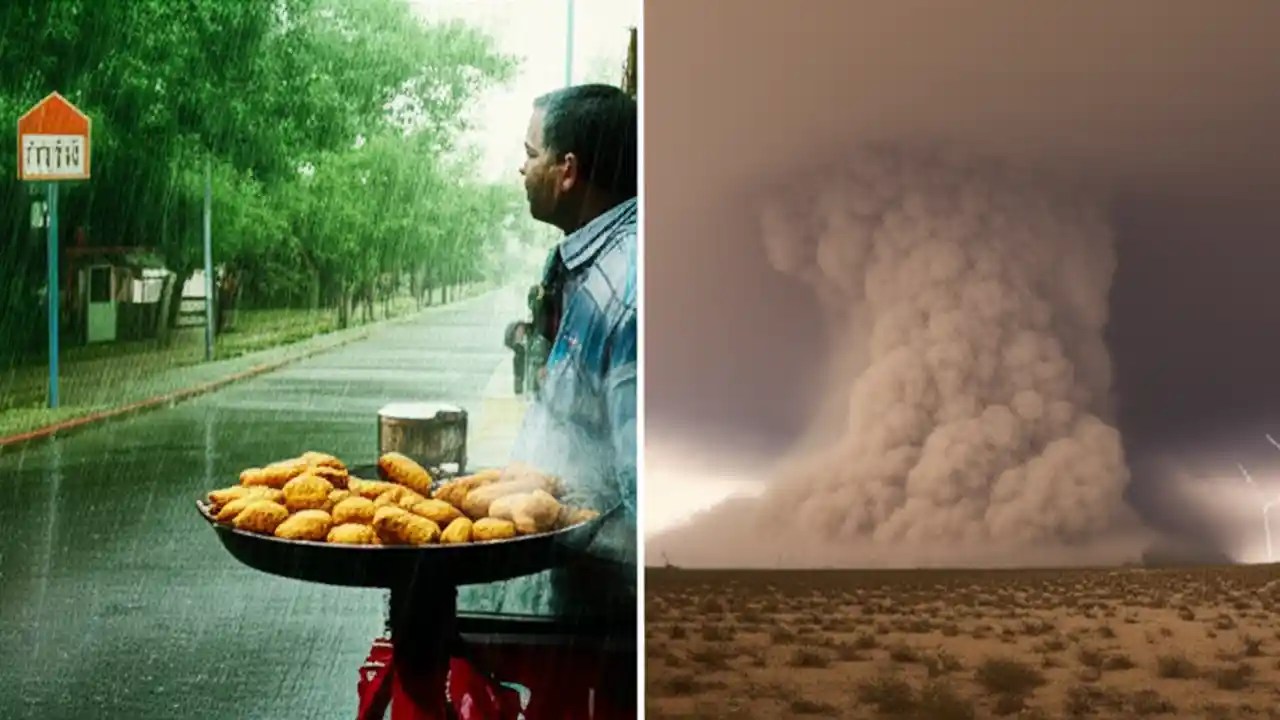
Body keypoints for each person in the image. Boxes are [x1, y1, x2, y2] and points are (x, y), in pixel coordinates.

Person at [460, 82, 638, 706]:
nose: (521, 166)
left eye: (530, 151)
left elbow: (646, 498)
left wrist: (554, 529)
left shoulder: (630, 287)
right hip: (574, 589)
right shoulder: (587, 263)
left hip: (604, 619)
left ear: (568, 171)